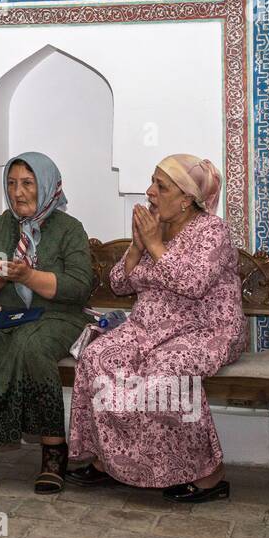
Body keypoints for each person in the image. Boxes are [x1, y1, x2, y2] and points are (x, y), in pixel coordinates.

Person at [67, 154, 244, 501]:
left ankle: (209, 474)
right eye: (152, 182)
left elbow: (193, 283)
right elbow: (119, 284)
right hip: (151, 326)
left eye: (160, 186)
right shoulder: (156, 227)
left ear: (186, 199)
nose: (149, 192)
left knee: (165, 370)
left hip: (205, 329)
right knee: (99, 357)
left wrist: (155, 245)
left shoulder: (213, 231)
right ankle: (111, 460)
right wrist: (136, 247)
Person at [0, 152, 93, 494]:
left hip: (56, 315)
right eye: (11, 183)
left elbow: (78, 288)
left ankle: (54, 452)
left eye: (27, 183)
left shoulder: (70, 230)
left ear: (49, 185)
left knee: (32, 348)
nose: (17, 192)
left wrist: (29, 276)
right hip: (2, 312)